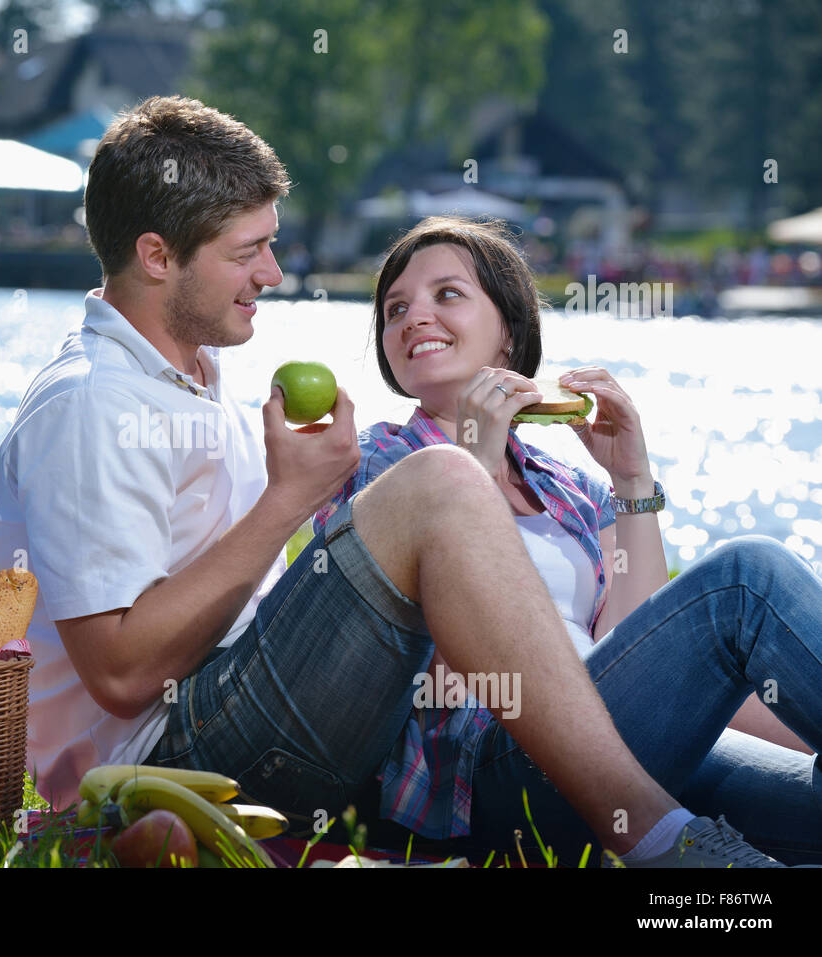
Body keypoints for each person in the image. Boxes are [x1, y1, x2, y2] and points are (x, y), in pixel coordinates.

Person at [0, 95, 809, 866]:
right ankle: (659, 842)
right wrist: (291, 498)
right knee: (733, 572)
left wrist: (630, 481)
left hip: (258, 718)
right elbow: (122, 674)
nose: (272, 271)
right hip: (167, 760)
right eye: (248, 251)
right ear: (156, 257)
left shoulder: (190, 375)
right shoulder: (92, 403)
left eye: (268, 242)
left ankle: (682, 845)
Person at [310, 214, 822, 863]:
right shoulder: (375, 464)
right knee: (750, 576)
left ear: (510, 332)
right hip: (500, 763)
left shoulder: (571, 486)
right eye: (394, 308)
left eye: (447, 294)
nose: (413, 317)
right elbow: (403, 660)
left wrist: (631, 479)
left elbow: (627, 644)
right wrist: (475, 461)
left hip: (627, 743)